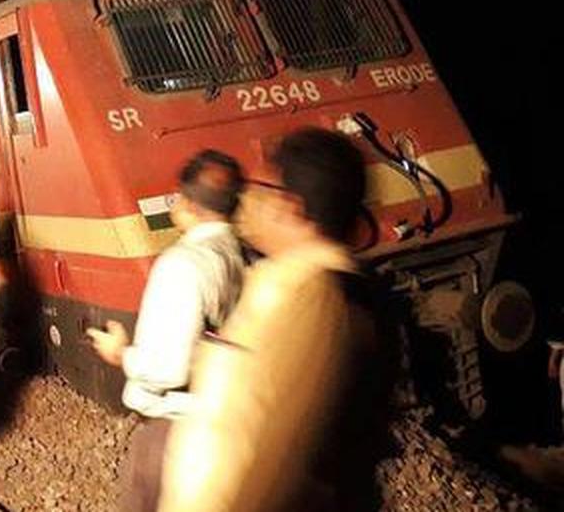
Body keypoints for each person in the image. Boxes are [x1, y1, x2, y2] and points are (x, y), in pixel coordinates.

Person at [158, 128, 391, 512]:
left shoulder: (302, 297)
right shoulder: (337, 288)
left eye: (259, 188)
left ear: (291, 207)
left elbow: (252, 448)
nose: (246, 199)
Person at [87, 150, 246, 512]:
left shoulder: (181, 265)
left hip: (177, 431)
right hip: (229, 420)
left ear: (186, 204)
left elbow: (167, 368)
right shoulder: (244, 254)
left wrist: (120, 352)